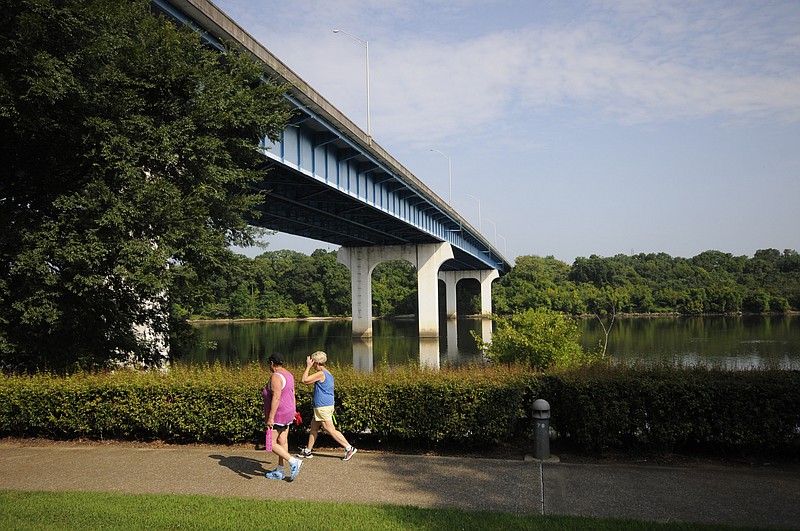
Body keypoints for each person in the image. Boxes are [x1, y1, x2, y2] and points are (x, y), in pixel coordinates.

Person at [297, 350, 357, 461]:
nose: (312, 364)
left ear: (316, 363)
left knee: (330, 429)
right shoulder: (328, 373)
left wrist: (308, 367)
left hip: (323, 407)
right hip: (324, 406)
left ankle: (349, 448)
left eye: (313, 362)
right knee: (314, 428)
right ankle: (308, 451)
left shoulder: (321, 374)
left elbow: (304, 380)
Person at [262, 352, 303, 481]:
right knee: (282, 441)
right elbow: (292, 393)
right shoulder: (289, 374)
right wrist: (294, 410)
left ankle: (294, 461)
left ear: (272, 363)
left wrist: (270, 418)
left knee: (270, 443)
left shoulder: (276, 376)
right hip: (288, 412)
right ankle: (280, 470)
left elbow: (276, 398)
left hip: (278, 414)